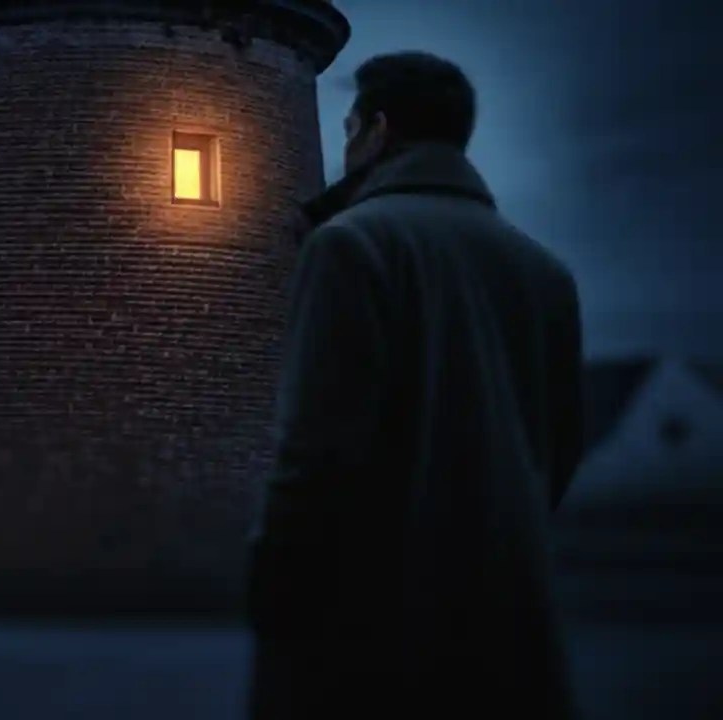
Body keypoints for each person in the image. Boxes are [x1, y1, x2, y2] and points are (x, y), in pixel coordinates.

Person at [245, 51, 584, 718]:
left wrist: (273, 587)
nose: (345, 146)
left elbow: (314, 453)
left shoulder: (350, 246)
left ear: (378, 130)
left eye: (348, 130)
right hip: (510, 611)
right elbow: (561, 451)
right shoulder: (546, 272)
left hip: (374, 623)